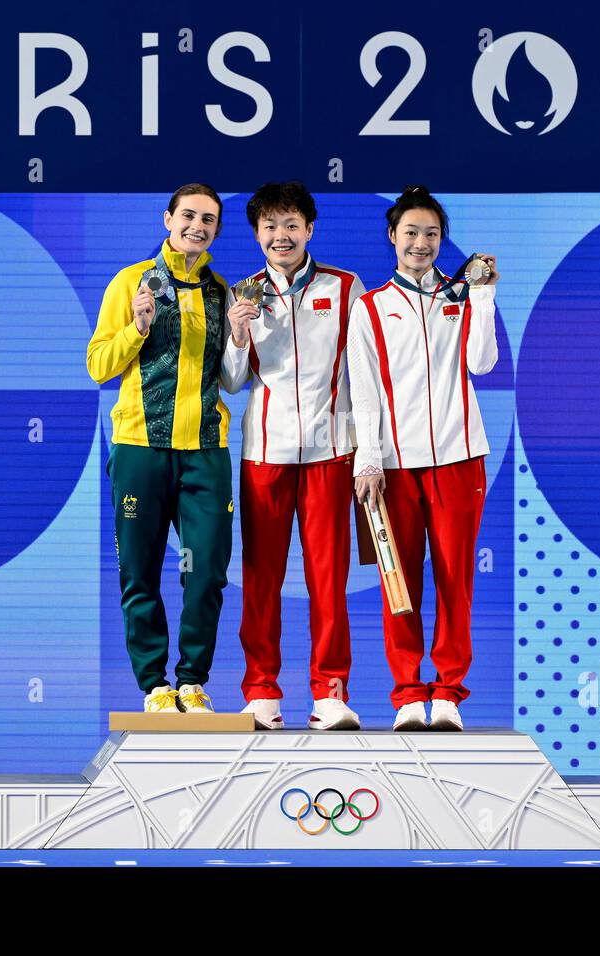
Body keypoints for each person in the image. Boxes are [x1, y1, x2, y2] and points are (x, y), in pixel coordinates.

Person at [86, 184, 254, 715]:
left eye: (208, 220)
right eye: (188, 216)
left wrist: (239, 338)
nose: (197, 226)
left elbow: (230, 382)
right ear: (168, 219)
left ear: (216, 231)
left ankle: (192, 682)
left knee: (207, 568)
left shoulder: (222, 291)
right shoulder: (130, 281)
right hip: (140, 446)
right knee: (139, 570)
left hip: (206, 449)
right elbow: (98, 365)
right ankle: (154, 686)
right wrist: (137, 327)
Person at [347, 185, 500, 732]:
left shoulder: (460, 297)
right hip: (393, 466)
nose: (421, 243)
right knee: (399, 581)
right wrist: (368, 460)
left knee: (456, 579)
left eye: (432, 234)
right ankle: (409, 694)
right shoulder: (370, 308)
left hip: (461, 458)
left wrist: (482, 297)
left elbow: (482, 365)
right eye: (411, 232)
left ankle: (449, 696)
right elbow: (363, 392)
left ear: (442, 241)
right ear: (393, 237)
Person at [225, 182, 367, 730]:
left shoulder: (346, 288)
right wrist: (238, 335)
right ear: (257, 234)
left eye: (291, 225)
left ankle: (330, 692)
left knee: (327, 577)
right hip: (265, 451)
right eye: (269, 227)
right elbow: (233, 382)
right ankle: (261, 690)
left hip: (333, 452)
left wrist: (366, 448)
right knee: (261, 577)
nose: (280, 236)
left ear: (309, 229)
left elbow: (366, 376)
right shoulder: (241, 293)